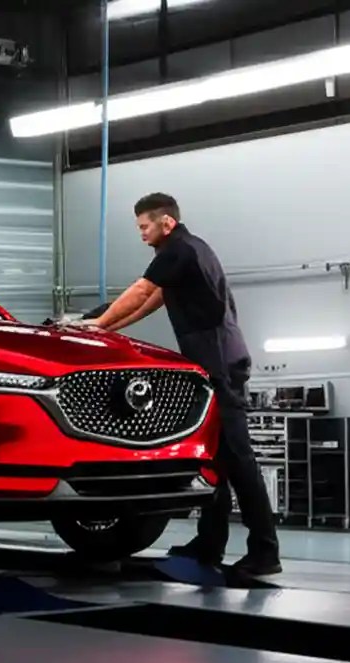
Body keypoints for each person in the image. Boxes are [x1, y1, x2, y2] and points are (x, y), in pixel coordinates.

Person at [76, 193, 281, 576]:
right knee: (214, 458)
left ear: (166, 222)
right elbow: (146, 302)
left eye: (144, 227)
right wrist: (93, 327)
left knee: (238, 459)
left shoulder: (179, 250)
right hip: (213, 362)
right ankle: (209, 542)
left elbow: (139, 291)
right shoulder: (187, 253)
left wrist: (96, 326)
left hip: (219, 362)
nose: (141, 234)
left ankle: (265, 552)